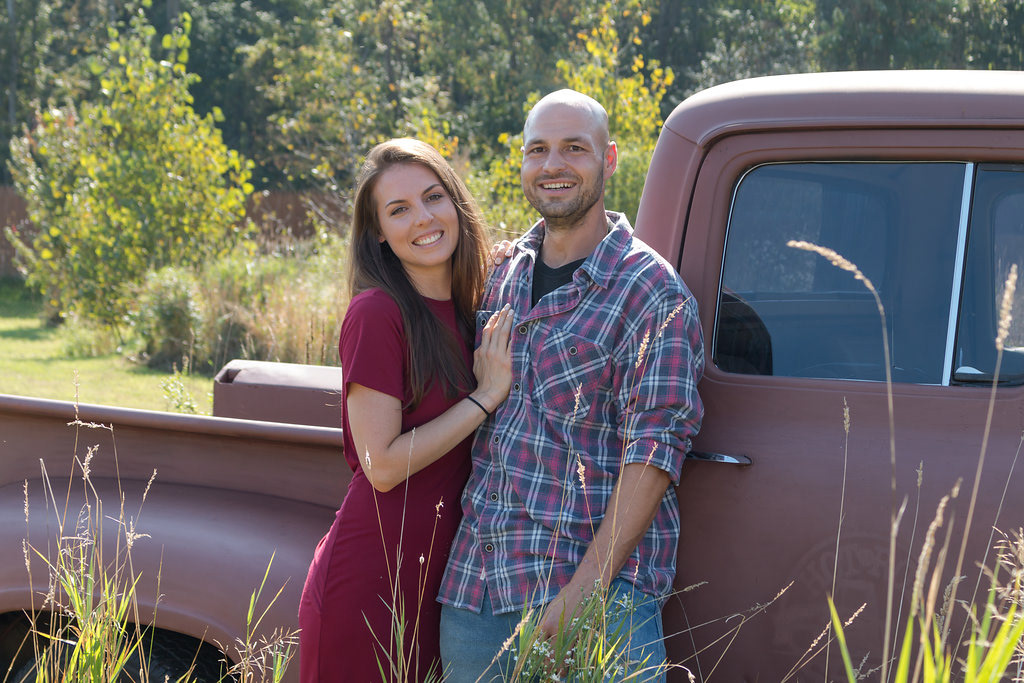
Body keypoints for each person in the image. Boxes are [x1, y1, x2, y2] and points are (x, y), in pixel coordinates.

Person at [437, 90, 705, 682]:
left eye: (574, 149)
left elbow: (655, 453)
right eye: (538, 150)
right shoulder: (501, 276)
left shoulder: (651, 293)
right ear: (523, 163)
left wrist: (585, 591)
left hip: (599, 599)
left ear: (608, 160)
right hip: (477, 591)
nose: (553, 165)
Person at [298, 138, 514, 683]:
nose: (423, 218)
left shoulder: (474, 309)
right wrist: (484, 397)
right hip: (374, 580)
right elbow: (384, 465)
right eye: (399, 210)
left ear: (456, 203)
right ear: (378, 233)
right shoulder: (377, 313)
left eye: (433, 197)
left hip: (449, 584)